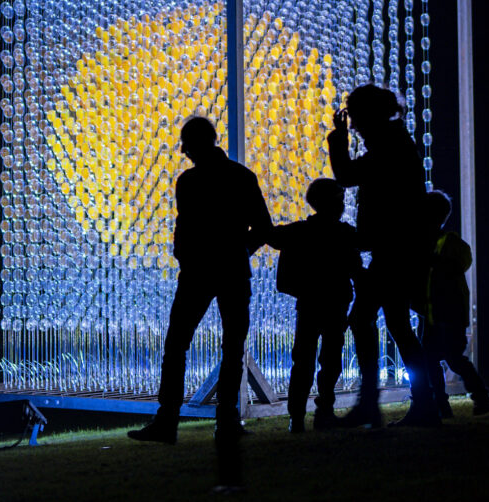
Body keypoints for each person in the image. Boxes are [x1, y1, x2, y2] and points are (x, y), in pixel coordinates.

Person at [128, 116, 271, 449]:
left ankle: (168, 421)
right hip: (230, 271)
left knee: (177, 344)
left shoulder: (190, 181)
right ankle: (226, 422)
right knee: (231, 348)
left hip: (198, 272)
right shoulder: (240, 177)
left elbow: (186, 226)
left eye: (186, 144)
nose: (183, 150)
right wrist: (239, 251)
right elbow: (262, 226)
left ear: (195, 144)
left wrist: (188, 254)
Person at [327, 84, 439, 427]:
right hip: (397, 250)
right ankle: (419, 403)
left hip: (394, 252)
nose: (355, 124)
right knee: (396, 325)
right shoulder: (394, 142)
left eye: (356, 116)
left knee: (369, 320)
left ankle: (380, 404)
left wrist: (337, 139)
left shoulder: (389, 146)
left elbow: (345, 176)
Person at [265, 178, 362, 431]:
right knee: (330, 359)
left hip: (308, 303)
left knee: (304, 360)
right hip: (336, 302)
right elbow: (356, 266)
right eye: (339, 200)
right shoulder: (344, 234)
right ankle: (324, 411)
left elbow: (272, 236)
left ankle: (297, 417)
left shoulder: (298, 231)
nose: (342, 205)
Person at [421, 190, 489, 418]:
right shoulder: (432, 243)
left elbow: (459, 263)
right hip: (434, 314)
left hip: (448, 314)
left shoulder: (448, 242)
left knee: (453, 358)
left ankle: (480, 397)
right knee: (432, 359)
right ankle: (442, 404)